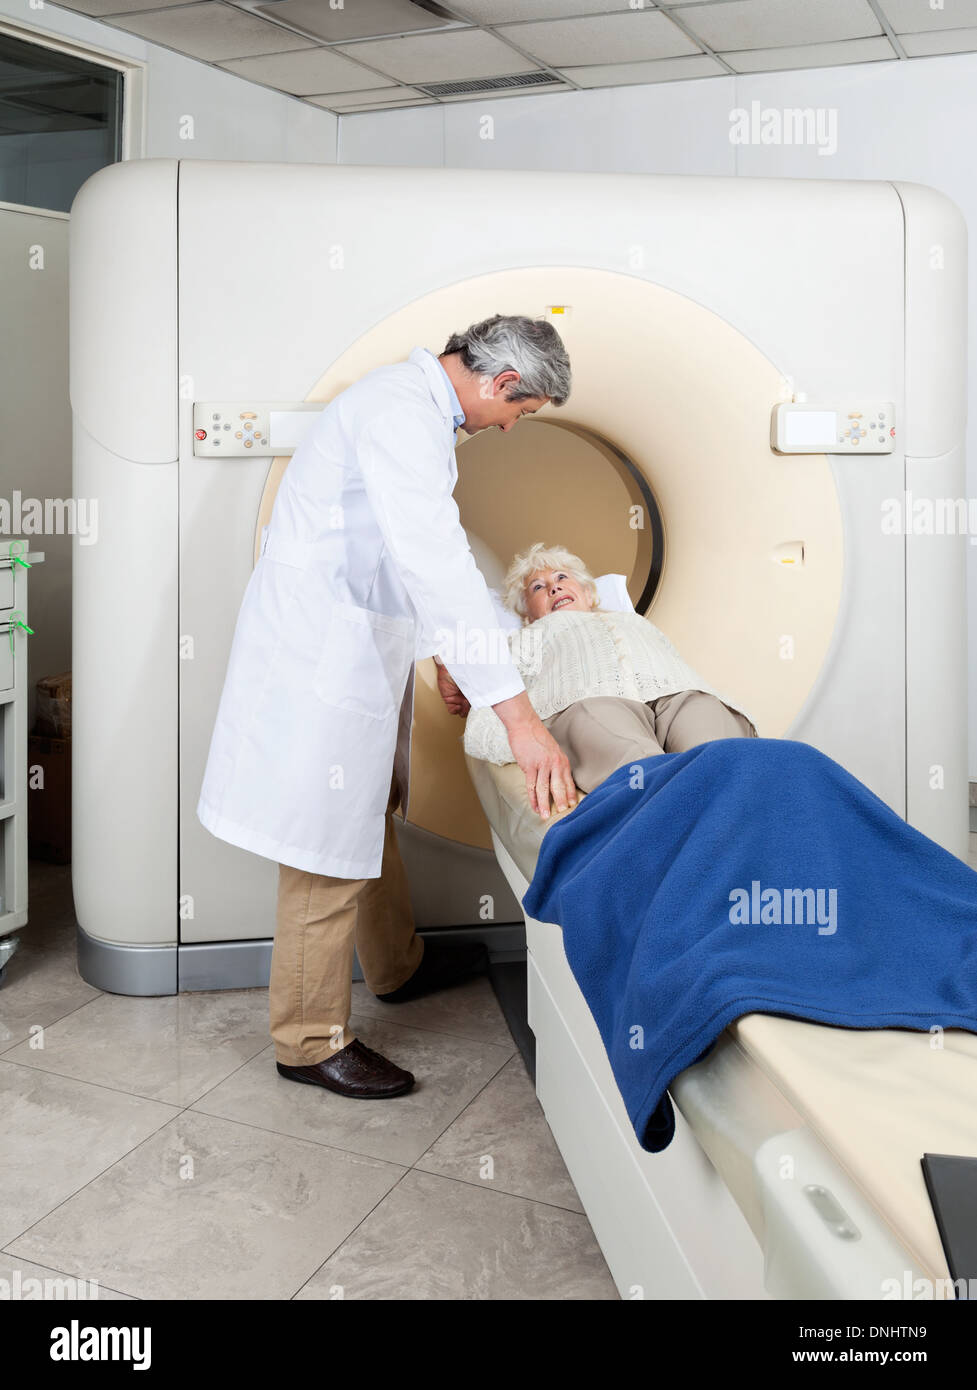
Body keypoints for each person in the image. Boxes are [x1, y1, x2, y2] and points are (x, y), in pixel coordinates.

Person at [197, 318, 577, 1102]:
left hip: (351, 643)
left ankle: (396, 963)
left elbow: (409, 554)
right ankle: (307, 1041)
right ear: (502, 384)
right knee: (323, 847)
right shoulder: (402, 414)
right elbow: (434, 564)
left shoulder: (411, 410)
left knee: (371, 810)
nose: (510, 428)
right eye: (522, 413)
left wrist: (446, 657)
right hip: (318, 658)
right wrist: (521, 720)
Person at [456, 541, 757, 789]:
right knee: (640, 771)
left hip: (679, 694)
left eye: (562, 578)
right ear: (527, 615)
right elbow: (493, 703)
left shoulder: (634, 621)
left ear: (588, 593)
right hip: (590, 701)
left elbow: (676, 664)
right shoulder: (528, 637)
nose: (554, 588)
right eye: (538, 587)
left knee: (719, 753)